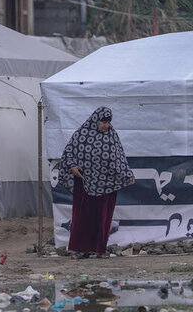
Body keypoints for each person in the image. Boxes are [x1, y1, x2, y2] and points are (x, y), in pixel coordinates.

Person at [57, 107, 135, 259]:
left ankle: (100, 250)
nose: (106, 125)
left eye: (108, 122)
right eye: (103, 122)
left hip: (106, 184)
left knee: (102, 218)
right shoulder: (82, 134)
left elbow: (119, 157)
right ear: (95, 120)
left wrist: (127, 174)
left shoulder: (111, 136)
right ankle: (81, 250)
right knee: (82, 217)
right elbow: (68, 153)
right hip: (85, 183)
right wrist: (72, 167)